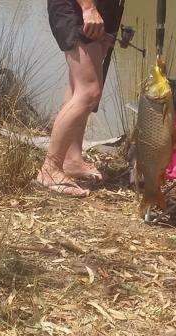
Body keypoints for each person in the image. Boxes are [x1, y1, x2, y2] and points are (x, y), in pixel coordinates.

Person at [40, 0, 125, 197]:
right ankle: (49, 170)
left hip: (98, 12)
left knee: (77, 86)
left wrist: (108, 19)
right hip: (76, 9)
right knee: (89, 92)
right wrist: (88, 8)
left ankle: (71, 159)